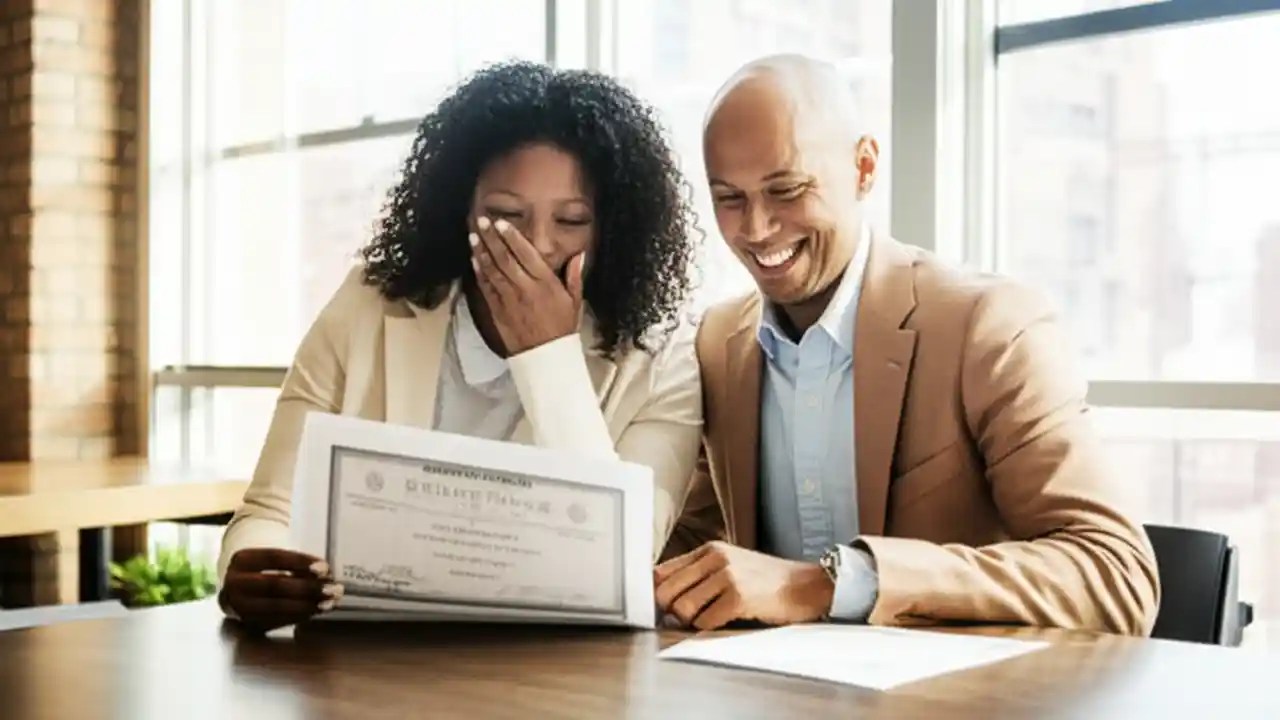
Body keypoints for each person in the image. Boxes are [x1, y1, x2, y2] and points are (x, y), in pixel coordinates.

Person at [656, 55, 1160, 635]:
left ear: (864, 168)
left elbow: (1116, 574)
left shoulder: (988, 328)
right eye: (729, 198)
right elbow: (687, 545)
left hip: (957, 684)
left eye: (787, 190)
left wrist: (824, 584)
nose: (756, 228)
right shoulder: (717, 343)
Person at [218, 61, 703, 631]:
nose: (537, 244)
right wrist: (253, 575)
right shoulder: (367, 307)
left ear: (610, 226)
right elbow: (269, 511)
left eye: (572, 220)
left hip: (552, 668)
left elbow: (617, 568)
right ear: (462, 209)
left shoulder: (665, 358)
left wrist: (546, 356)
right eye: (505, 215)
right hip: (367, 657)